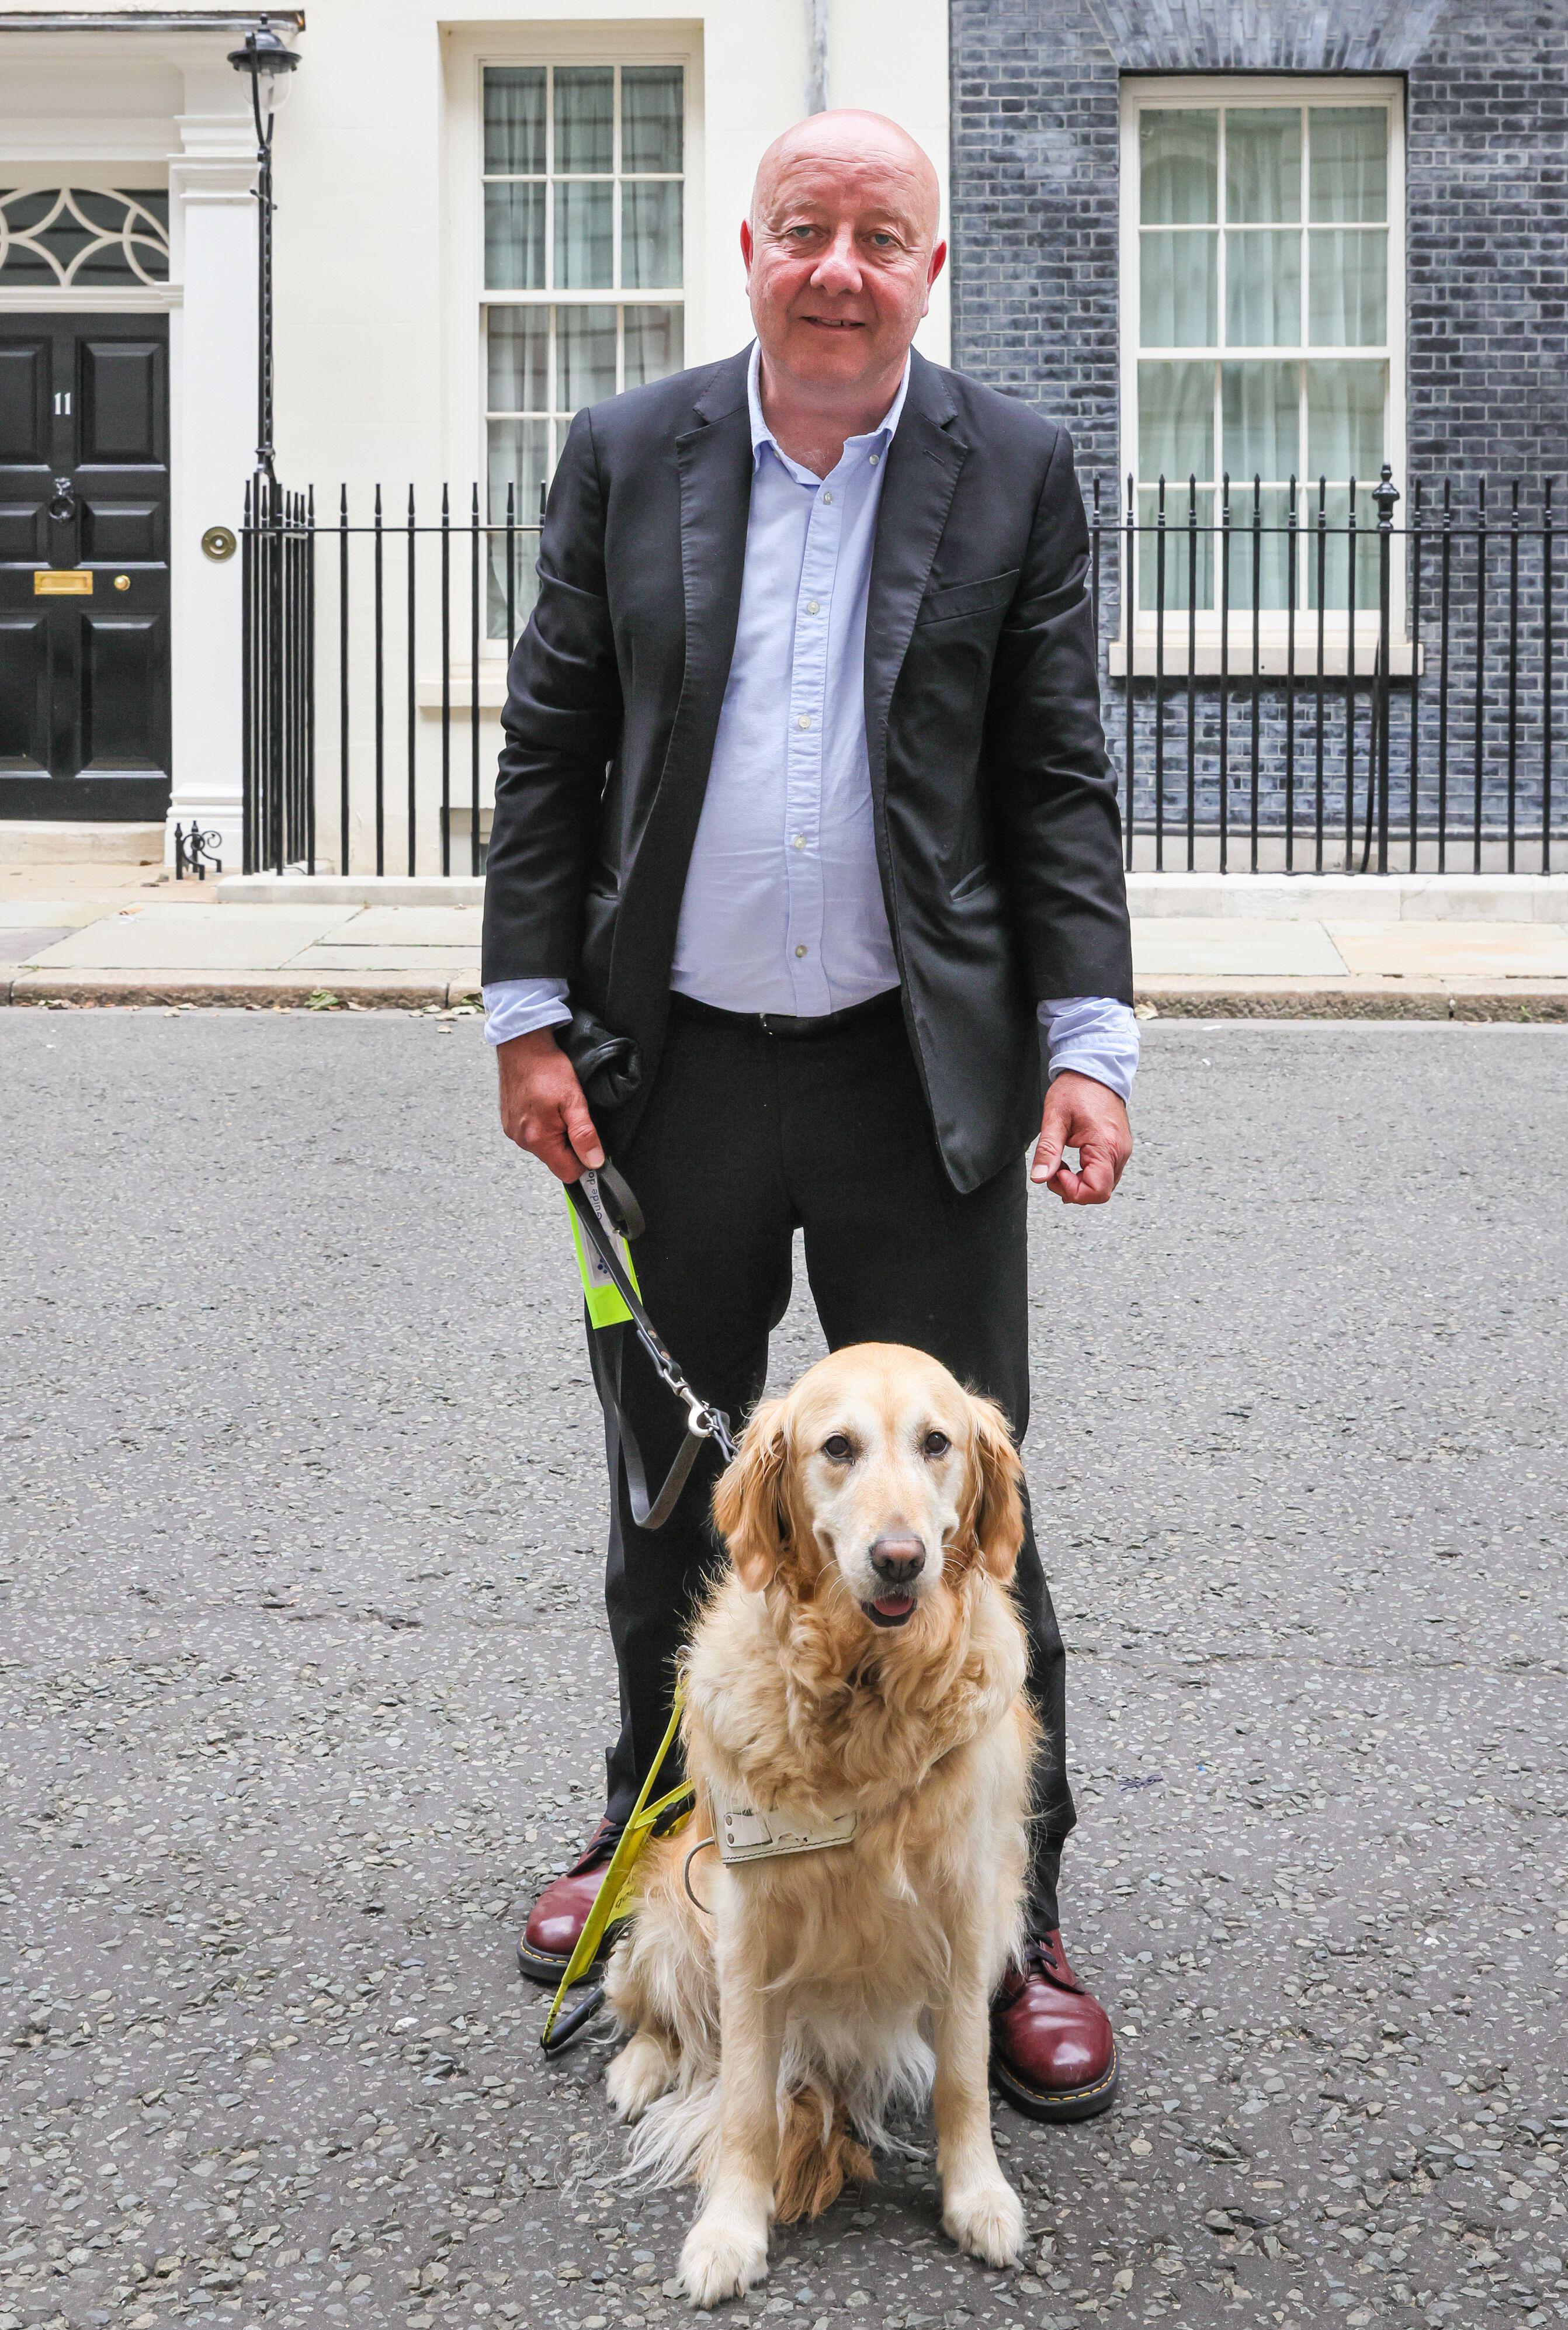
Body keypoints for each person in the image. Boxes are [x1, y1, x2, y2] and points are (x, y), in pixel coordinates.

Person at [482, 109, 1137, 2123]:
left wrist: (1087, 1036)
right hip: (658, 1070)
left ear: (927, 268)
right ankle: (656, 1838)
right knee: (673, 1498)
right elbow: (557, 741)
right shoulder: (628, 453)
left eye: (880, 236)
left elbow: (1050, 774)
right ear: (744, 251)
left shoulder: (1011, 471)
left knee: (950, 1516)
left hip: (905, 1072)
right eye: (805, 233)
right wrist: (525, 1017)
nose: (839, 266)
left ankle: (1010, 1921)